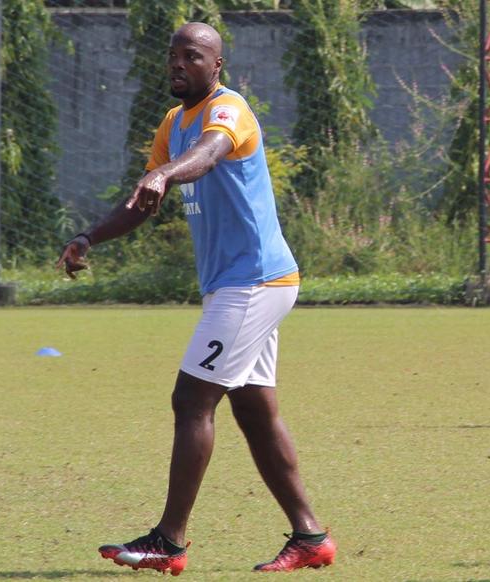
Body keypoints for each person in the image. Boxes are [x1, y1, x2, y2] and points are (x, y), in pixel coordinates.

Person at [56, 22, 336, 575]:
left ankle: (169, 541)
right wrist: (89, 236)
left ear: (217, 66)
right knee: (254, 411)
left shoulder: (228, 111)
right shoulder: (173, 121)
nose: (179, 64)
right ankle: (310, 538)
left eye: (193, 55)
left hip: (254, 281)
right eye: (173, 56)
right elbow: (143, 200)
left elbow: (209, 156)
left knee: (191, 401)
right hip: (237, 285)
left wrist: (165, 171)